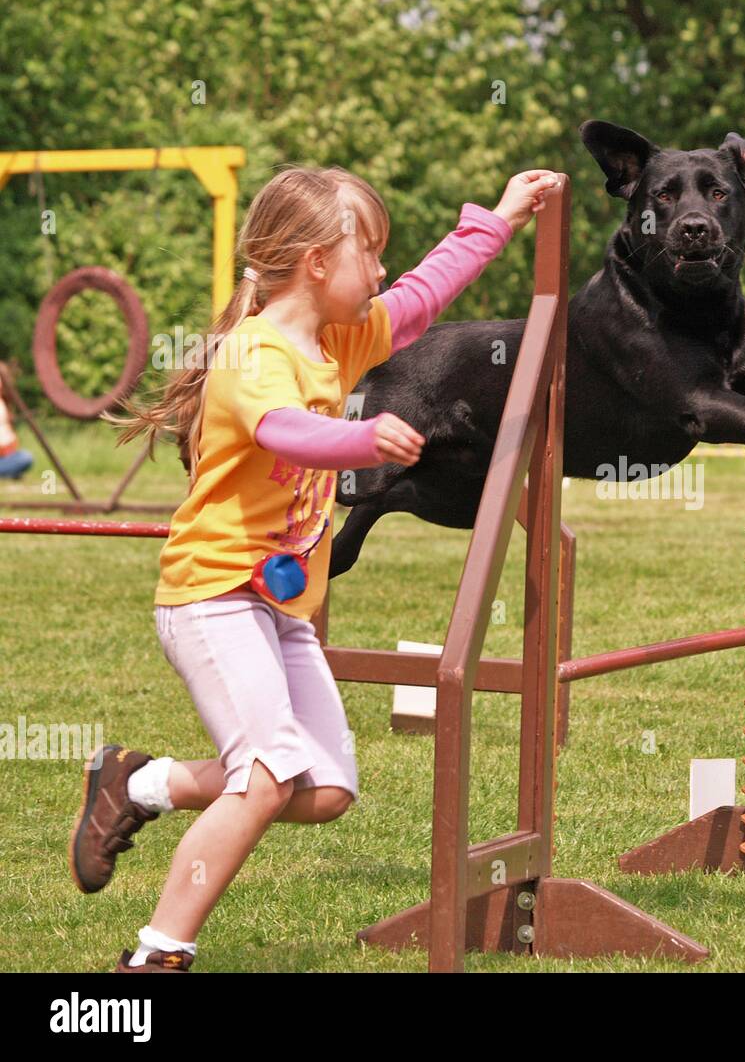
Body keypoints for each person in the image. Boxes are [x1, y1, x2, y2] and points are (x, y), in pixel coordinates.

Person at [70, 164, 557, 973]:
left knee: (326, 788)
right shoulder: (253, 354)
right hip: (214, 594)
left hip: (276, 605)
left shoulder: (341, 336)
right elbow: (286, 433)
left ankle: (136, 782)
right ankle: (156, 958)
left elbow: (425, 294)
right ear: (317, 264)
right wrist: (365, 440)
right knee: (264, 777)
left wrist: (499, 217)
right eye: (369, 252)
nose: (381, 272)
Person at [0, 380, 34, 479]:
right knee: (25, 458)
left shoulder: (3, 403)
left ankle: (9, 472)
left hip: (5, 456)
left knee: (24, 456)